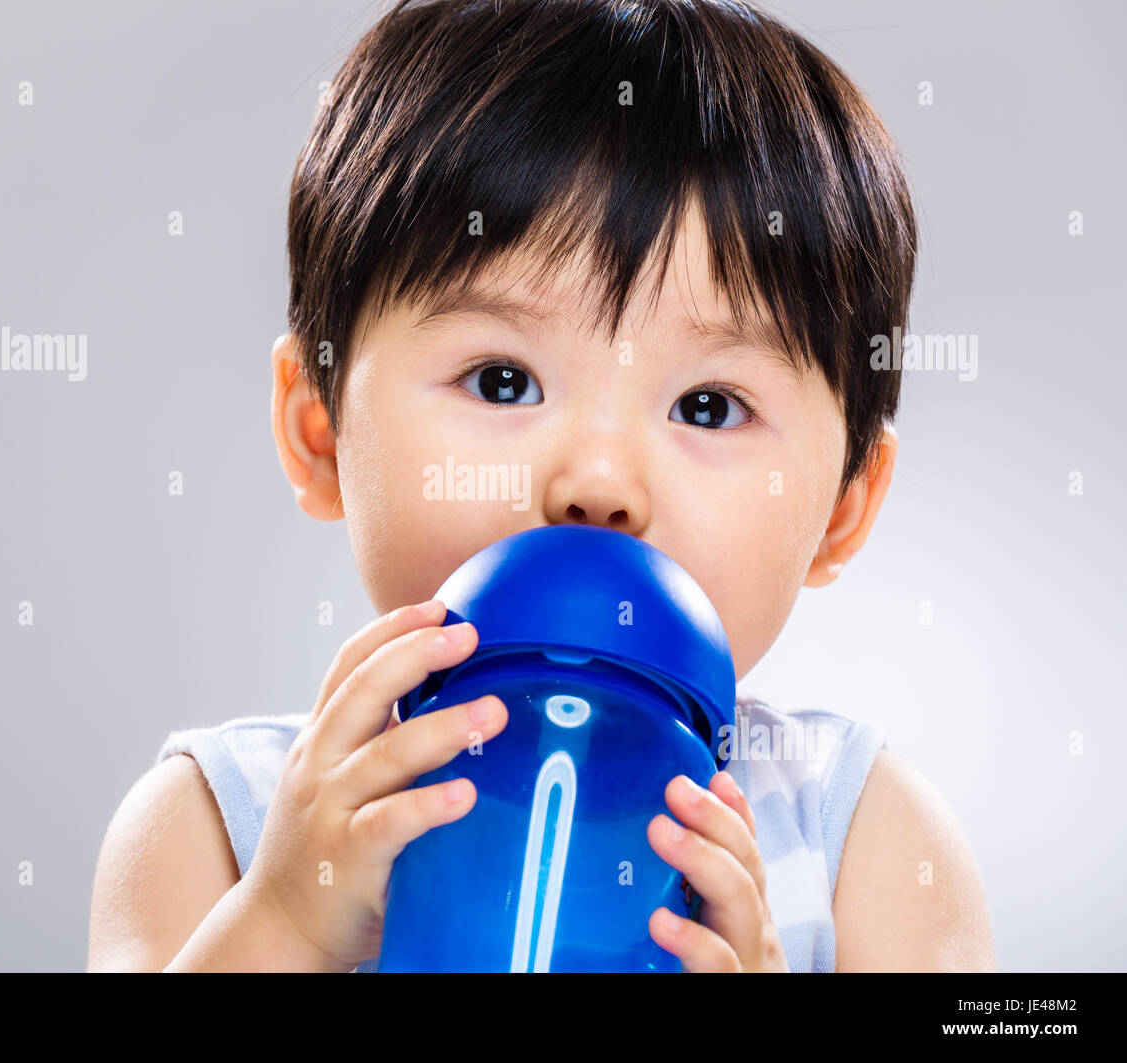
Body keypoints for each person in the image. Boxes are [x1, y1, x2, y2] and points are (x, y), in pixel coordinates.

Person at [87, 0, 995, 973]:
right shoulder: (220, 823)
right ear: (319, 432)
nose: (597, 485)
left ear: (843, 508)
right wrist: (284, 924)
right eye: (502, 380)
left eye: (708, 405)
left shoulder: (865, 839)